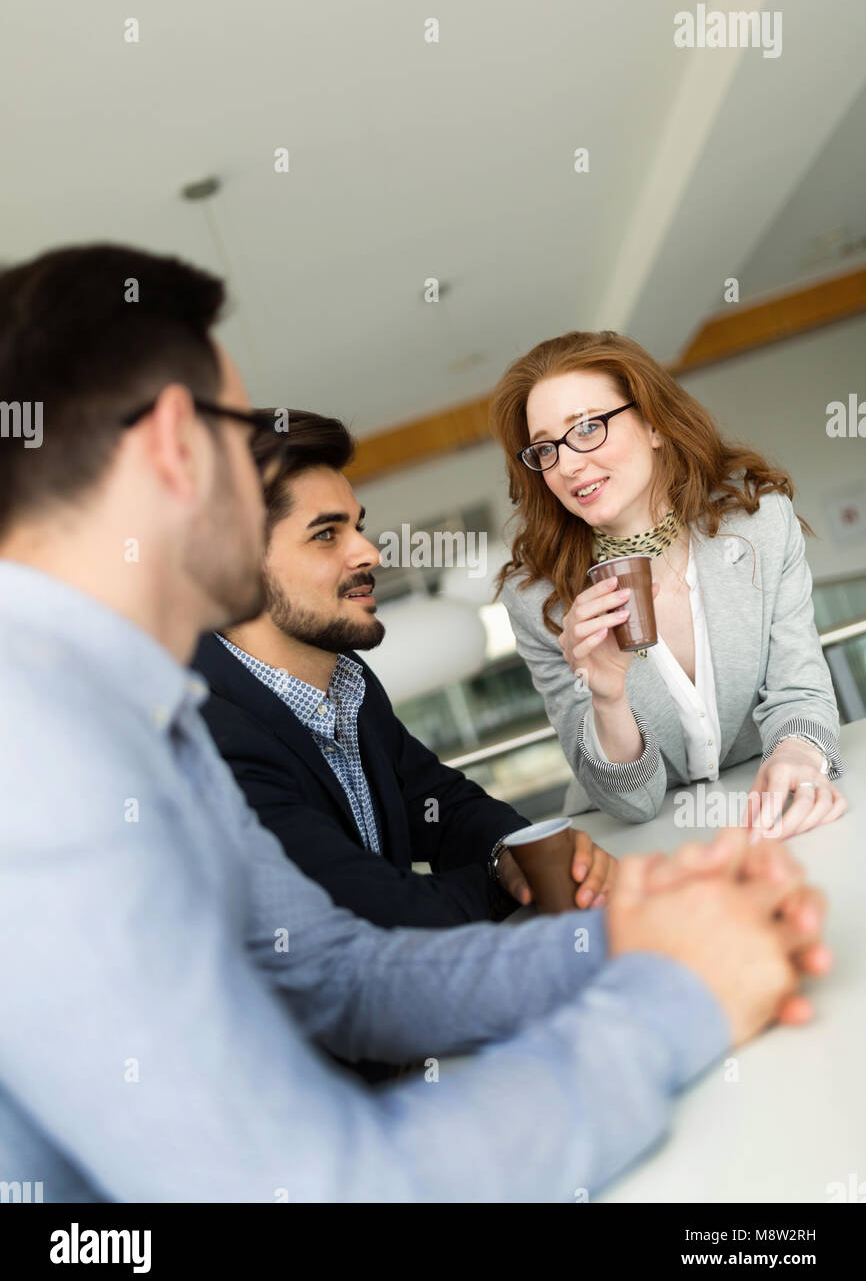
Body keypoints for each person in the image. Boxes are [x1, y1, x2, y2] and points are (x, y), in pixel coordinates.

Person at [0, 244, 829, 1202]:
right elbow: (319, 1188)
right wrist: (673, 997)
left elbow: (340, 974)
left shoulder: (148, 709)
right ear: (174, 444)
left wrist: (633, 934)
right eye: (240, 434)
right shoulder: (37, 761)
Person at [192, 409, 617, 930]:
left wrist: (511, 853)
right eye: (326, 535)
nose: (369, 551)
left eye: (357, 526)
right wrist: (533, 879)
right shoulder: (202, 733)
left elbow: (440, 802)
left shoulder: (348, 684)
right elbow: (367, 911)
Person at [491, 330, 848, 837]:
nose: (568, 464)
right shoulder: (537, 600)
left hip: (765, 813)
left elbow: (799, 691)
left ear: (654, 423)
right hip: (634, 846)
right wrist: (608, 697)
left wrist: (796, 754)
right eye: (544, 448)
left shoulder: (760, 525)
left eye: (588, 428)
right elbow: (631, 806)